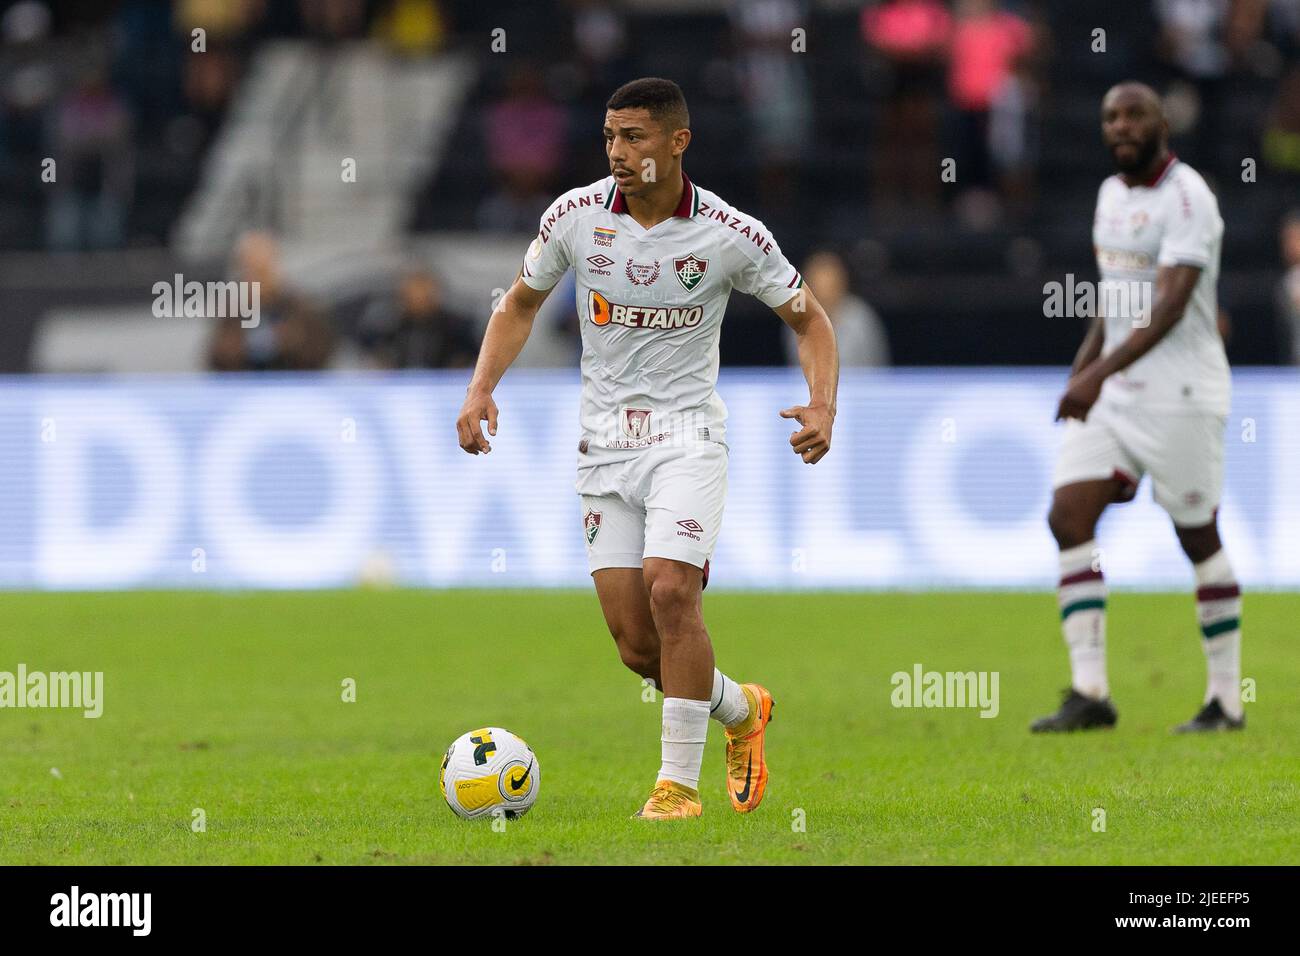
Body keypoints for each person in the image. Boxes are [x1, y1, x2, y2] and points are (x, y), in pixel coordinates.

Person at [456, 77, 839, 818]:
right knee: (638, 645)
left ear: (677, 142)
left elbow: (811, 319)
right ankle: (743, 711)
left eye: (634, 138)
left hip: (689, 438)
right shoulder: (573, 216)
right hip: (604, 445)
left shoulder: (731, 234)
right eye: (609, 137)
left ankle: (676, 789)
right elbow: (519, 305)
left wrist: (823, 403)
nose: (618, 153)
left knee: (672, 588)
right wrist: (480, 389)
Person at [1035, 82, 1240, 734]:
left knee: (1196, 536)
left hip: (1182, 395)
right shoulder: (1109, 194)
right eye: (1110, 117)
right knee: (1068, 517)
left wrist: (1095, 374)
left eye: (1133, 115)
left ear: (1161, 124)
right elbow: (1116, 297)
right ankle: (1091, 692)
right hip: (1117, 394)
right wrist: (1085, 363)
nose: (1120, 126)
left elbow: (1169, 304)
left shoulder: (1190, 198)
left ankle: (1226, 700)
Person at [782, 251, 889, 367]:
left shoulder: (861, 318)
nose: (823, 291)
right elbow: (797, 370)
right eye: (817, 283)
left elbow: (877, 368)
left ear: (841, 283)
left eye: (829, 283)